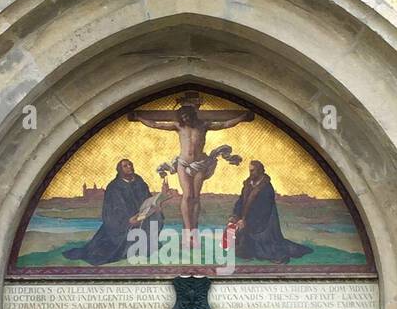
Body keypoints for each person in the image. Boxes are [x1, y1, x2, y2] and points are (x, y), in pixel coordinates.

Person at [129, 91, 253, 231]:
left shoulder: (203, 125)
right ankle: (187, 229)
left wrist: (242, 117)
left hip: (199, 164)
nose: (185, 118)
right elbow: (155, 124)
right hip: (183, 163)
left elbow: (225, 124)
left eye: (187, 116)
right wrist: (139, 117)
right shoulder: (179, 126)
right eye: (183, 116)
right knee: (187, 196)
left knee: (195, 196)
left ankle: (194, 227)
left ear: (192, 115)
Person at [63, 159, 158, 265]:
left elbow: (148, 198)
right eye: (125, 166)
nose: (129, 167)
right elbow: (110, 212)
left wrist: (154, 205)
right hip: (121, 224)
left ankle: (147, 245)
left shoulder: (139, 181)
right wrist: (128, 221)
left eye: (130, 164)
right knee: (103, 251)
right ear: (119, 170)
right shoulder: (114, 187)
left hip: (141, 216)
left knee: (157, 215)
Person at [231, 161, 311, 265]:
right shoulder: (248, 184)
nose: (250, 173)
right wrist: (236, 215)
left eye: (253, 171)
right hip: (247, 220)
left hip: (264, 224)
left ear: (259, 171)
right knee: (241, 248)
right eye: (249, 171)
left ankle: (281, 256)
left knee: (268, 251)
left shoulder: (266, 188)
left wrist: (246, 222)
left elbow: (263, 210)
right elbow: (241, 201)